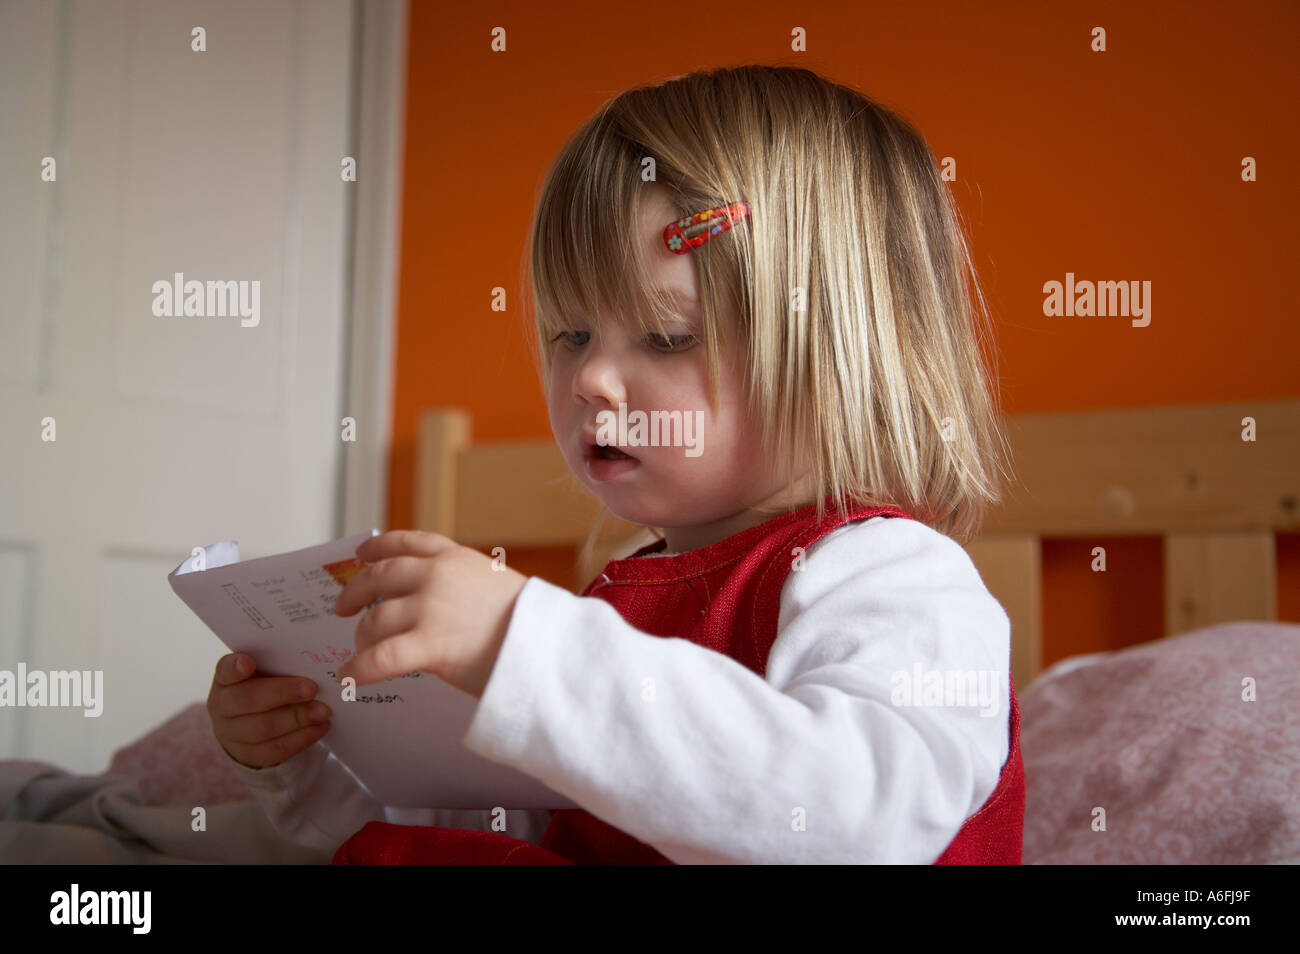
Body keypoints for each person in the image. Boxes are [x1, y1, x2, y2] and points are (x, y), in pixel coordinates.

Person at [207, 64, 1022, 864]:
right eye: (571, 334)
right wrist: (297, 764)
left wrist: (527, 648)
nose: (590, 379)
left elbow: (859, 822)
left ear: (843, 357)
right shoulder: (620, 596)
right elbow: (528, 826)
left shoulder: (896, 579)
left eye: (667, 337)